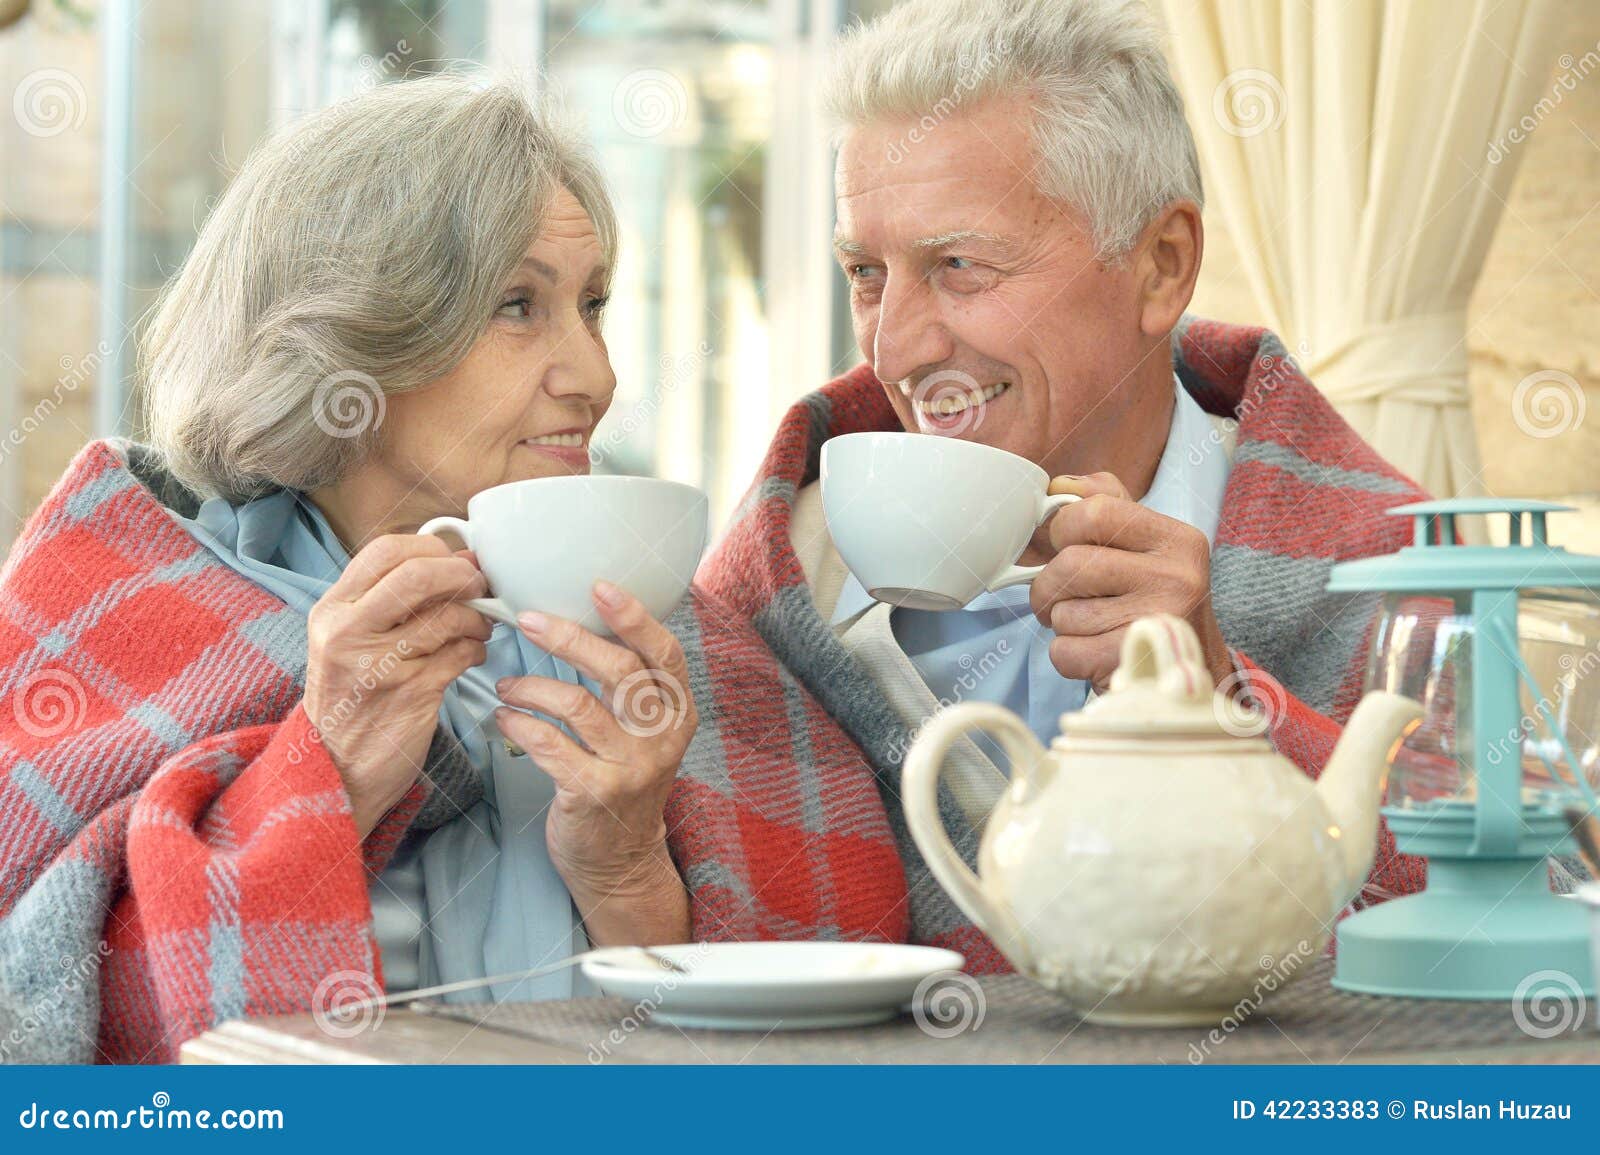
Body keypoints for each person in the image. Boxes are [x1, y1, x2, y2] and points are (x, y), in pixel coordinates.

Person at [0, 75, 906, 1065]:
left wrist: (626, 871)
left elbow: (805, 1071)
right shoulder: (116, 612)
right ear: (348, 341)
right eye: (518, 306)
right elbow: (58, 1035)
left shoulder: (674, 645)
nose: (597, 376)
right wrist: (330, 774)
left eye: (592, 305)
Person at [699, 0, 1432, 968]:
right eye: (865, 272)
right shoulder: (762, 594)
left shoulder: (1390, 559)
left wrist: (1227, 694)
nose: (894, 350)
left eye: (959, 265)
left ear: (1162, 267)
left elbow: (1498, 940)